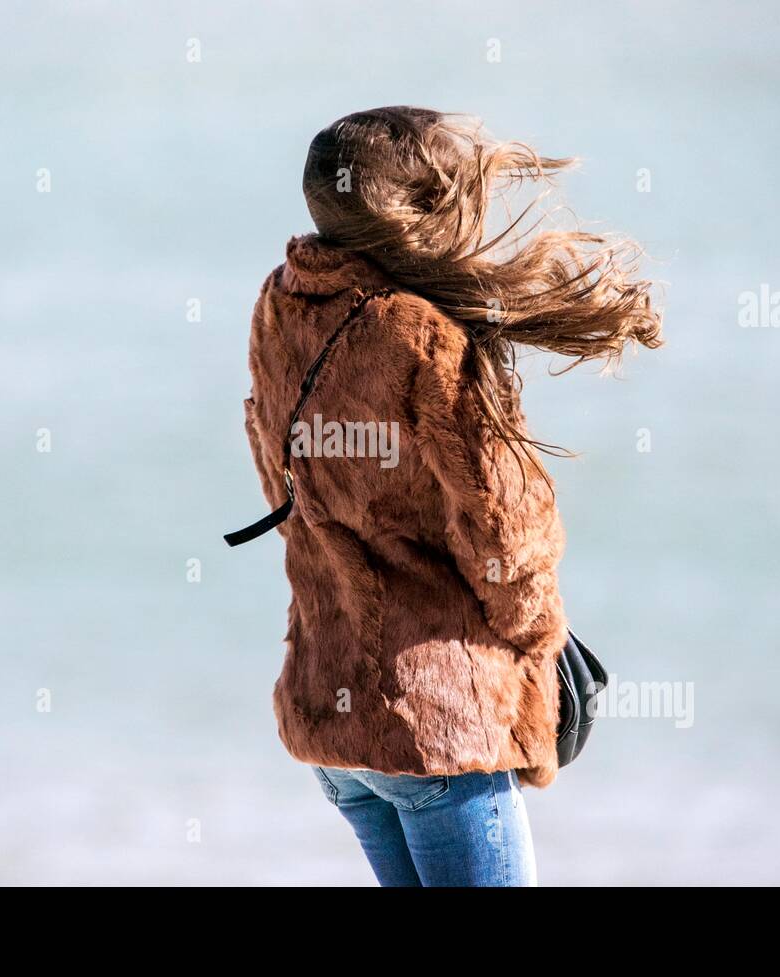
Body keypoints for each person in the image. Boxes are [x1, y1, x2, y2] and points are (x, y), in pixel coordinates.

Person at [236, 107, 662, 886]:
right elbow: (504, 530)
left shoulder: (276, 306)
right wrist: (541, 640)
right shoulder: (425, 337)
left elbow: (280, 479)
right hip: (437, 727)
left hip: (335, 727)